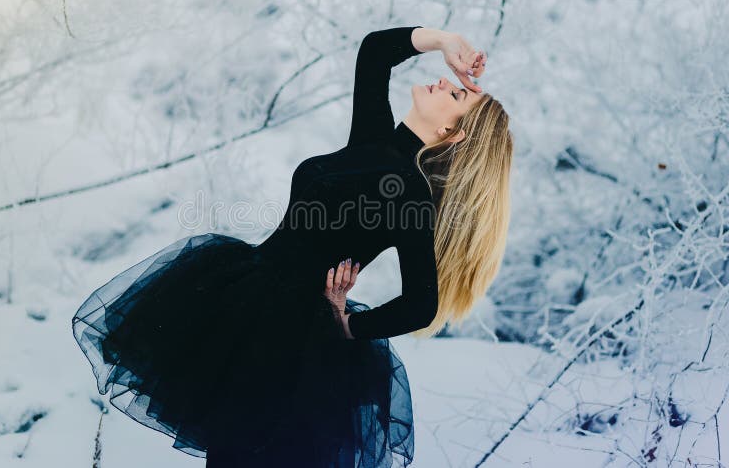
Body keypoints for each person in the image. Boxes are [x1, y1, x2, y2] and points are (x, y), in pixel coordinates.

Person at [71, 25, 513, 468]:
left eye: (457, 95)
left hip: (293, 337)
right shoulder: (372, 140)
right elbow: (375, 52)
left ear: (451, 132)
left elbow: (421, 304)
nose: (444, 82)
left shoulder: (410, 192)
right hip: (245, 301)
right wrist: (444, 41)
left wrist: (349, 327)